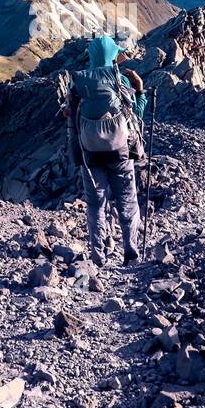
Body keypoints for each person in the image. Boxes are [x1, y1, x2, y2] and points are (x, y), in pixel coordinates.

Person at [67, 34, 146, 267]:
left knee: (95, 204)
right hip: (120, 152)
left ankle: (98, 257)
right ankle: (131, 254)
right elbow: (136, 115)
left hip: (90, 153)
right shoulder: (119, 79)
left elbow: (71, 118)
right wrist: (140, 91)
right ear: (113, 55)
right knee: (127, 201)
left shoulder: (79, 82)